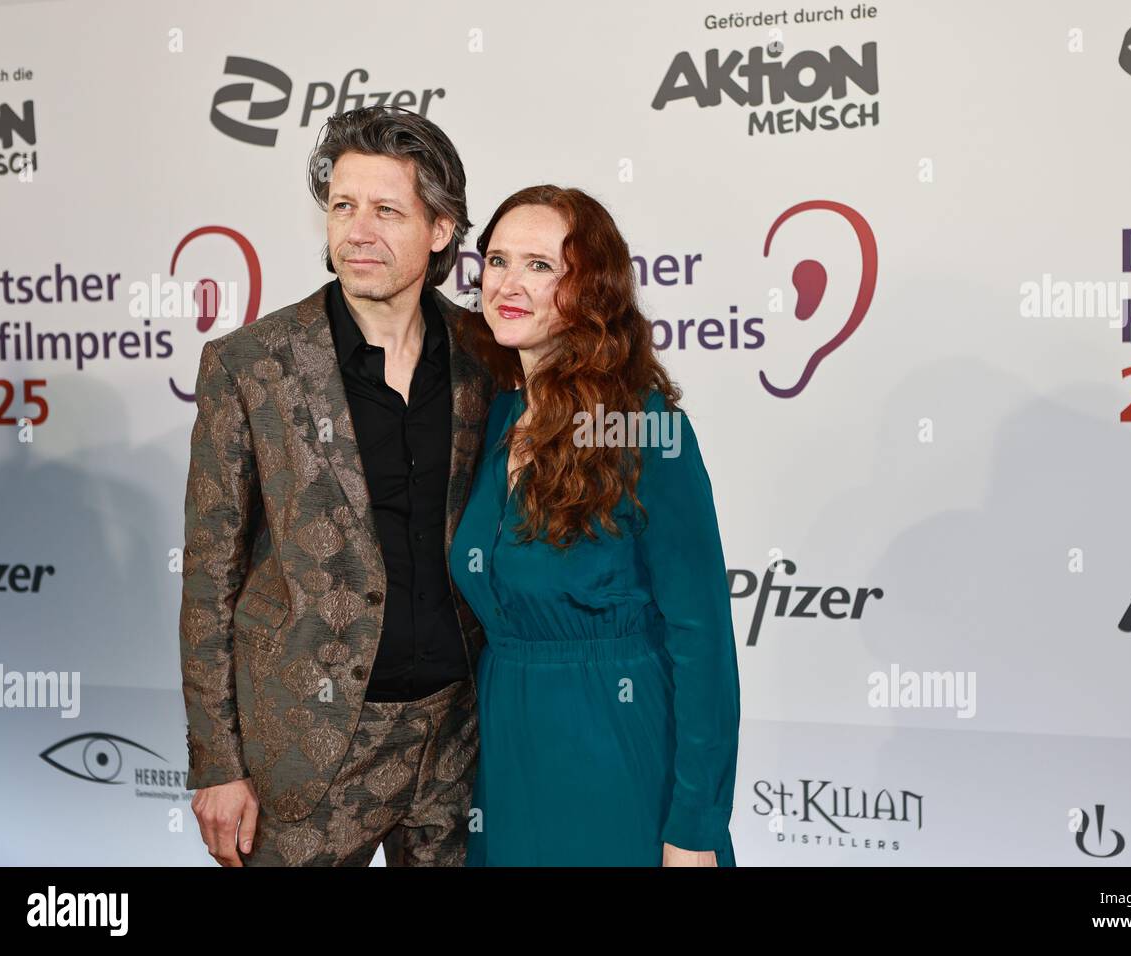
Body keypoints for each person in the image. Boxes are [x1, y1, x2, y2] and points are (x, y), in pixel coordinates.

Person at [178, 105, 494, 866]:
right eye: (343, 206)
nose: (358, 231)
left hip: (459, 741)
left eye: (388, 210)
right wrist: (218, 764)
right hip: (309, 749)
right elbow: (208, 576)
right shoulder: (250, 364)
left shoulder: (487, 358)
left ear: (442, 229)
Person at [449, 185, 741, 866]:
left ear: (593, 289)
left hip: (618, 751)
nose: (509, 283)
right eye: (496, 261)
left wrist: (695, 827)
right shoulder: (493, 419)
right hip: (507, 759)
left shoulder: (646, 427)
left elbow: (703, 644)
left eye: (541, 265)